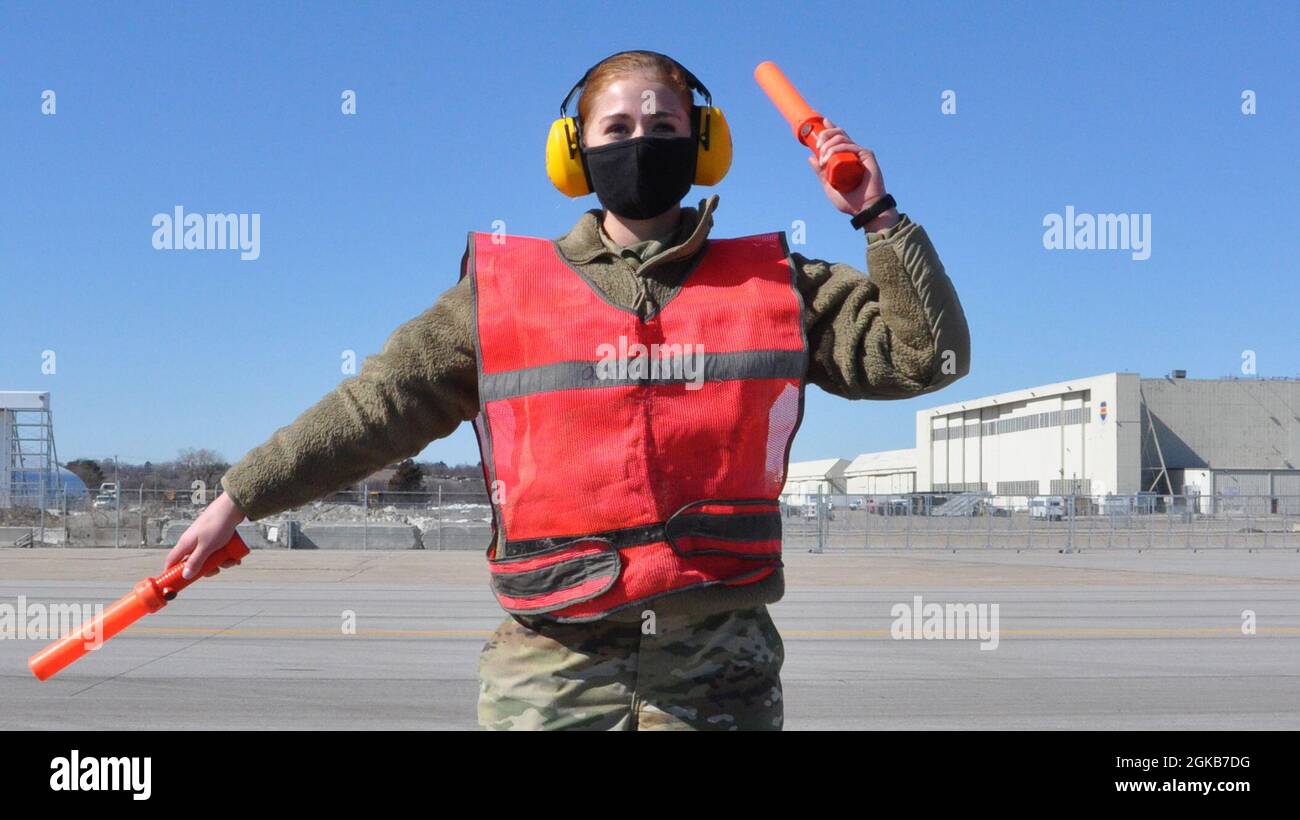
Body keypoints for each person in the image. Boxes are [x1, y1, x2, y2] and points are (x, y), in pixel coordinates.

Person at [166, 50, 970, 730]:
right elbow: (379, 405)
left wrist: (877, 215)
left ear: (703, 146)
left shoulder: (777, 282)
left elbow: (925, 358)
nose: (640, 142)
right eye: (617, 129)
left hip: (719, 677)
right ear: (575, 151)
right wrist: (242, 496)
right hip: (550, 677)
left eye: (664, 128)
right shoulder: (503, 291)